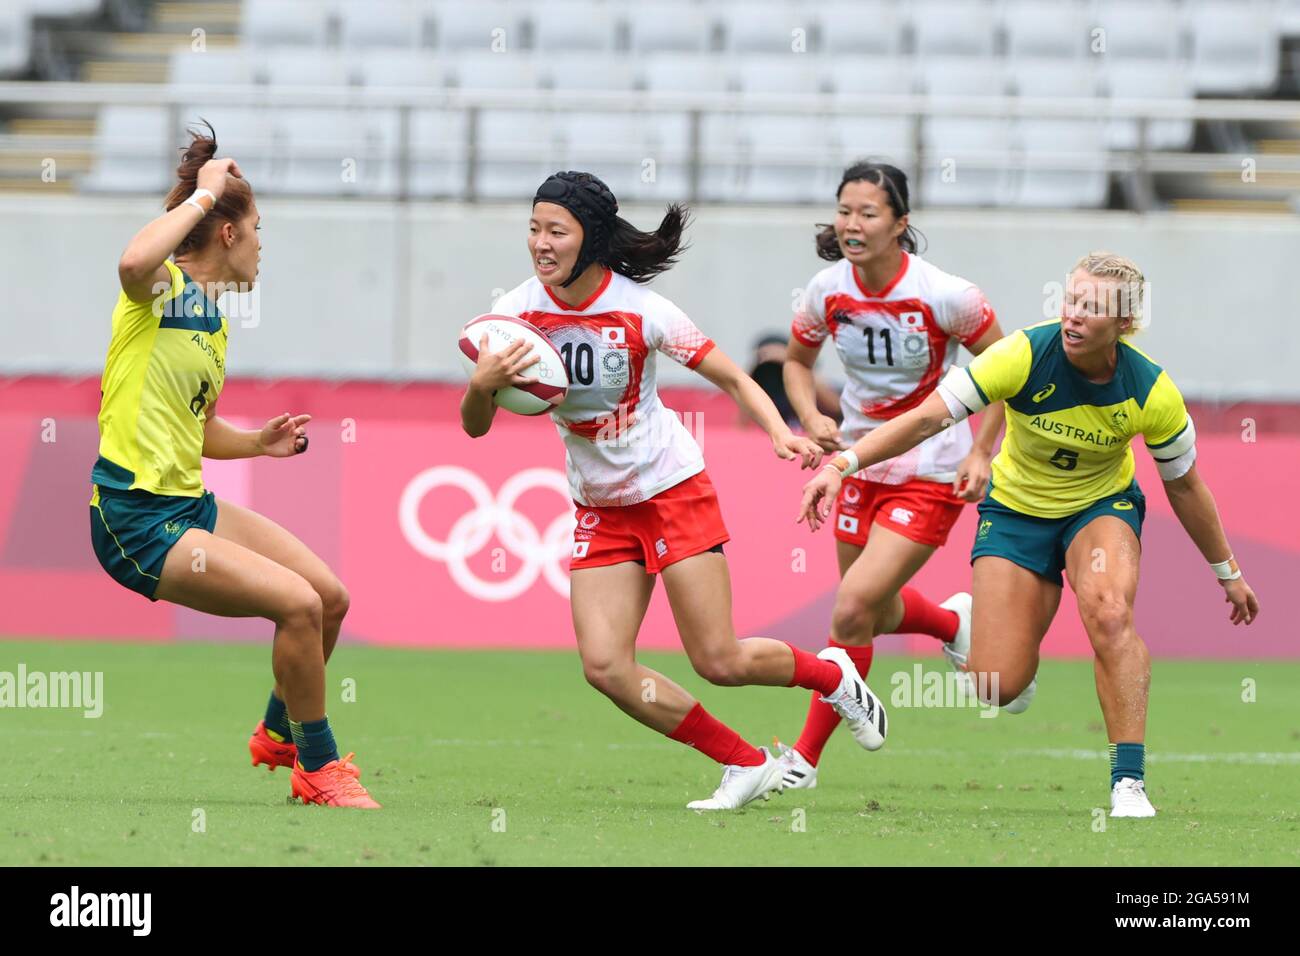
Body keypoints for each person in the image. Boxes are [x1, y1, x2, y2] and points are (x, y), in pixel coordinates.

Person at [461, 170, 889, 811]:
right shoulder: (516, 316)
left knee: (720, 660)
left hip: (670, 490)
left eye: (556, 230)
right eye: (533, 228)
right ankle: (744, 763)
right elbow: (475, 428)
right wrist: (480, 383)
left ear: (591, 237)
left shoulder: (642, 309)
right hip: (600, 508)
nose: (540, 244)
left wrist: (780, 432)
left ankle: (834, 676)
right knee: (605, 667)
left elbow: (735, 377)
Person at [796, 251, 1260, 817]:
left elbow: (1185, 487)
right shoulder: (1021, 353)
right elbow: (925, 419)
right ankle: (964, 624)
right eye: (1072, 300)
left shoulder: (1150, 391)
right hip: (1015, 515)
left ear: (1124, 325)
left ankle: (1129, 782)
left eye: (1094, 308)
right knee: (998, 687)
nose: (1075, 316)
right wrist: (841, 465)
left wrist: (1227, 573)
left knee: (1110, 613)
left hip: (1099, 509)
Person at [89, 125, 378, 809]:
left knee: (328, 598)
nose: (261, 245)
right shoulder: (159, 292)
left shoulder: (212, 321)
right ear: (226, 233)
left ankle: (279, 733)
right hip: (134, 518)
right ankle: (318, 766)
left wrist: (256, 443)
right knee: (297, 606)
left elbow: (196, 429)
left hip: (186, 505)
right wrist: (208, 192)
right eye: (256, 229)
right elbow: (132, 261)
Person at [772, 161, 1022, 792]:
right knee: (869, 615)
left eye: (869, 214)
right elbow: (795, 362)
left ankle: (803, 761)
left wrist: (981, 453)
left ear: (900, 224)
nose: (852, 225)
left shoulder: (948, 296)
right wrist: (810, 417)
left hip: (932, 466)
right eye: (845, 212)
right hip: (858, 459)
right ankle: (950, 624)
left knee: (850, 606)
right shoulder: (825, 290)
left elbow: (1005, 372)